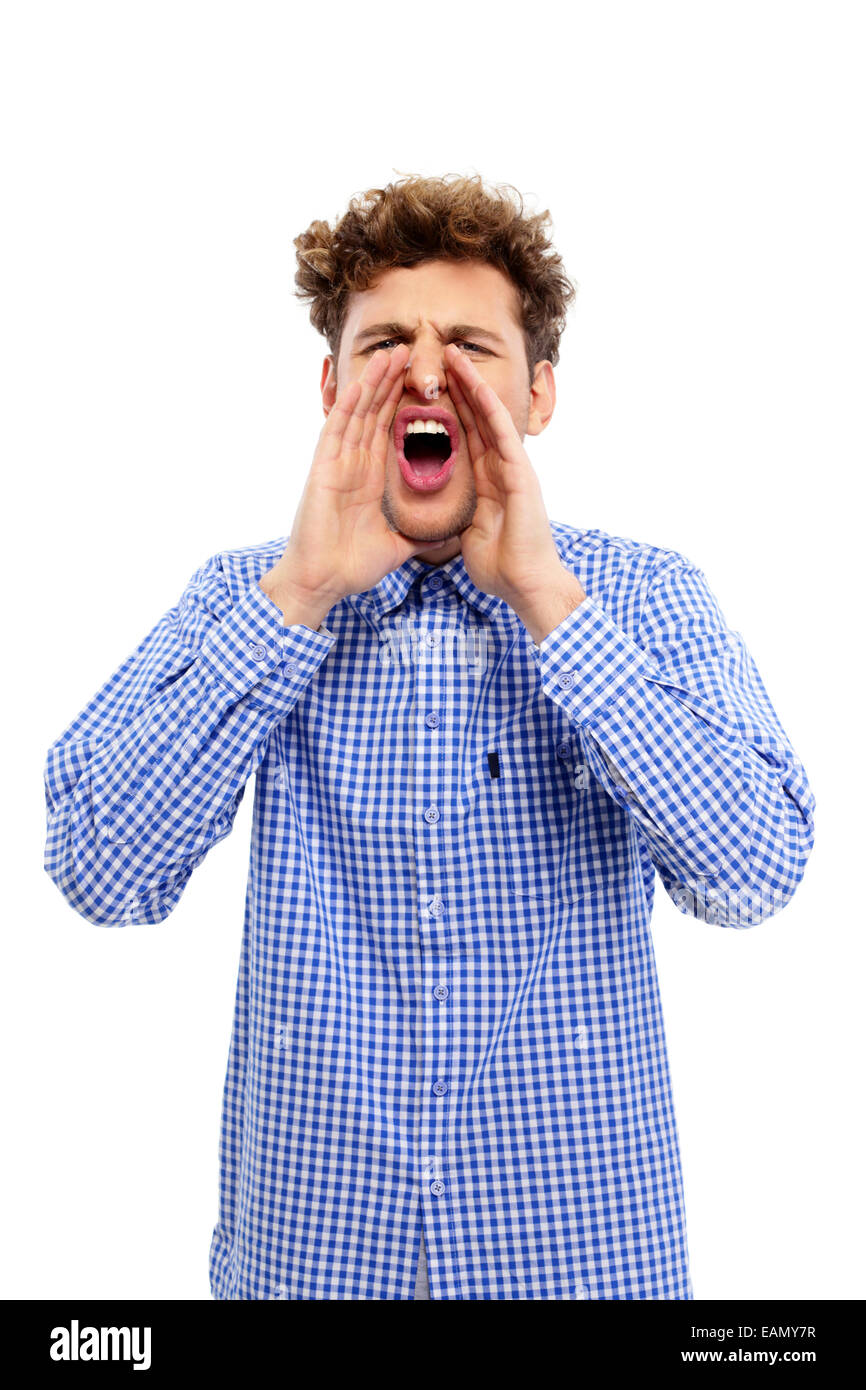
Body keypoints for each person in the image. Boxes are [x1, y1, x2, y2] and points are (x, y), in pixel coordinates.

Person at [43, 174, 815, 1300]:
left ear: (539, 393)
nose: (421, 373)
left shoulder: (642, 595)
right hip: (309, 1266)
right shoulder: (241, 599)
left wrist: (550, 605)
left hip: (576, 1266)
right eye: (384, 343)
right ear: (328, 384)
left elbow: (754, 873)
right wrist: (297, 597)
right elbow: (100, 871)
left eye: (469, 345)